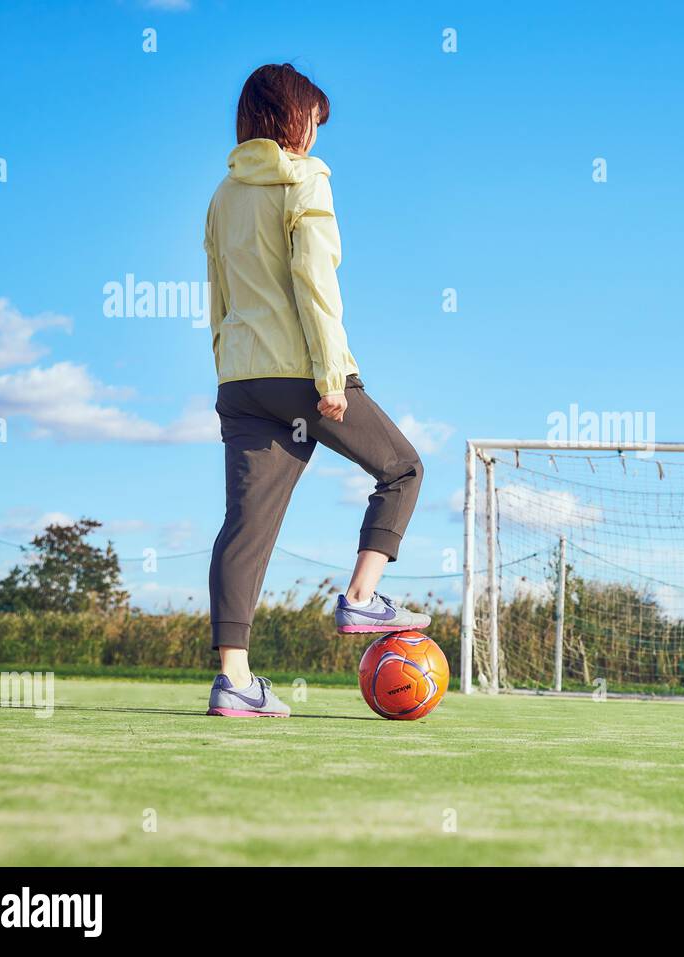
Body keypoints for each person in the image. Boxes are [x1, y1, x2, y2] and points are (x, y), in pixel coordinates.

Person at [203, 63, 429, 718]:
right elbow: (315, 282)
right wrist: (331, 376)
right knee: (403, 467)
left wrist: (227, 372)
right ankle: (361, 598)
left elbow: (218, 294)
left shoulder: (222, 195)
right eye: (314, 124)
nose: (317, 139)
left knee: (245, 525)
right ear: (292, 119)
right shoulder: (305, 179)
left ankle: (234, 682)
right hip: (303, 372)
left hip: (240, 378)